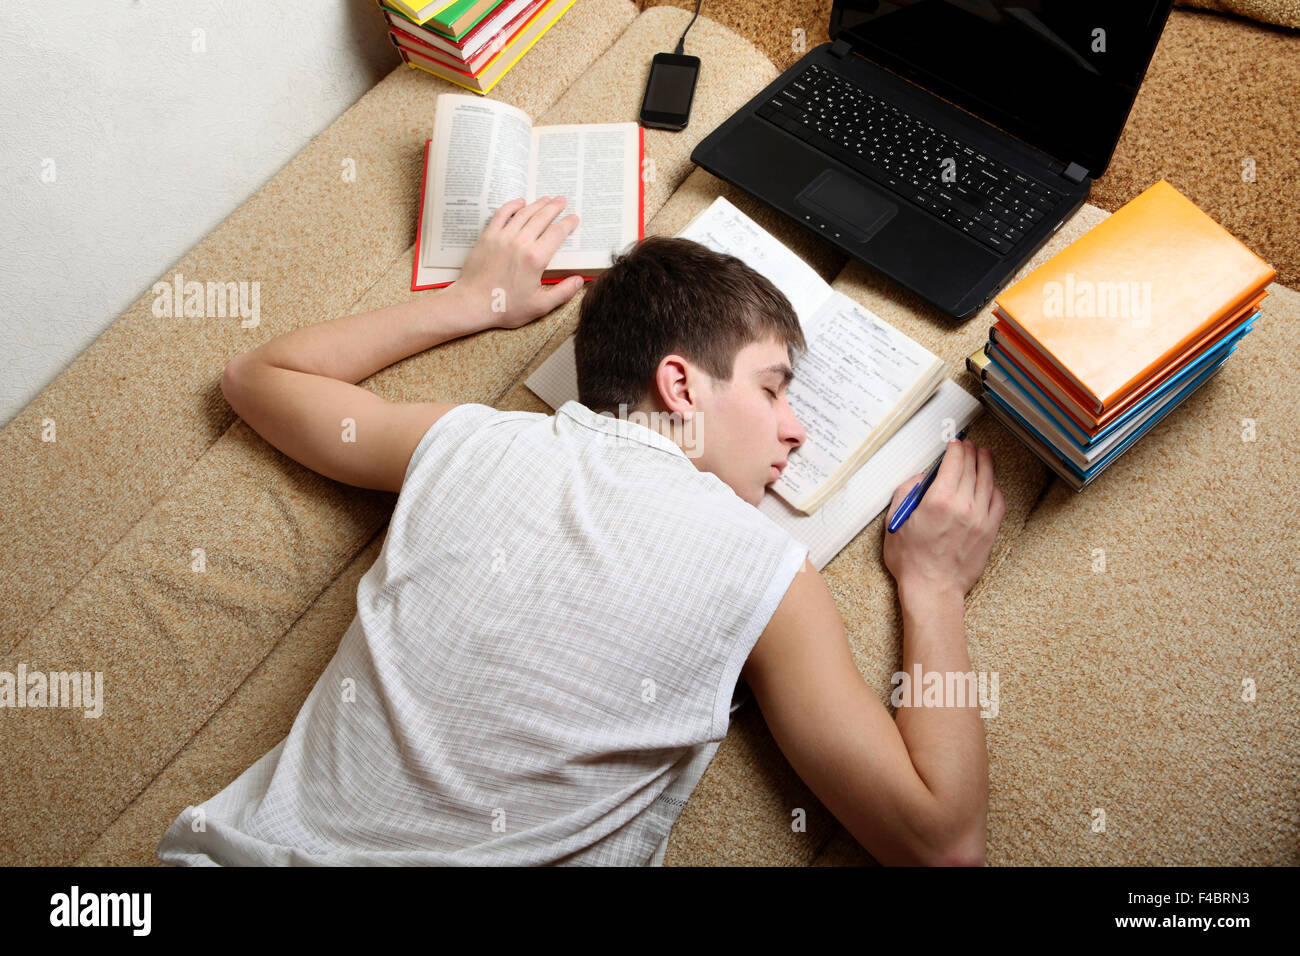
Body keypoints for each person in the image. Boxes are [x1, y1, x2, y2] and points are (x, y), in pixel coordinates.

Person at [157, 195, 1004, 866]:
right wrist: (933, 591)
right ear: (681, 385)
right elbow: (941, 842)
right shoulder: (766, 573)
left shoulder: (468, 438)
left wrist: (472, 304)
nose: (795, 431)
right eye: (773, 389)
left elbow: (259, 376)